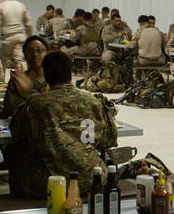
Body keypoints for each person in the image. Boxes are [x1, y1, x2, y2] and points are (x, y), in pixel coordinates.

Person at [8, 51, 119, 198]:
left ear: (46, 76)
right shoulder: (92, 101)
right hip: (91, 181)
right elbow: (109, 139)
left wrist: (25, 96)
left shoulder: (36, 104)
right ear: (70, 74)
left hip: (48, 184)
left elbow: (17, 134)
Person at [0, 35, 48, 119]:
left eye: (39, 51)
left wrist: (27, 93)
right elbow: (8, 111)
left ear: (47, 53)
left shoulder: (54, 79)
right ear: (24, 55)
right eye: (30, 51)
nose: (35, 54)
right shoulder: (17, 81)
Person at [0, 0, 33, 69]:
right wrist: (30, 37)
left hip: (7, 38)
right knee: (19, 60)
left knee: (6, 61)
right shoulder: (22, 6)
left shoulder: (1, 6)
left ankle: (6, 80)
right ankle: (22, 78)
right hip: (20, 37)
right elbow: (28, 23)